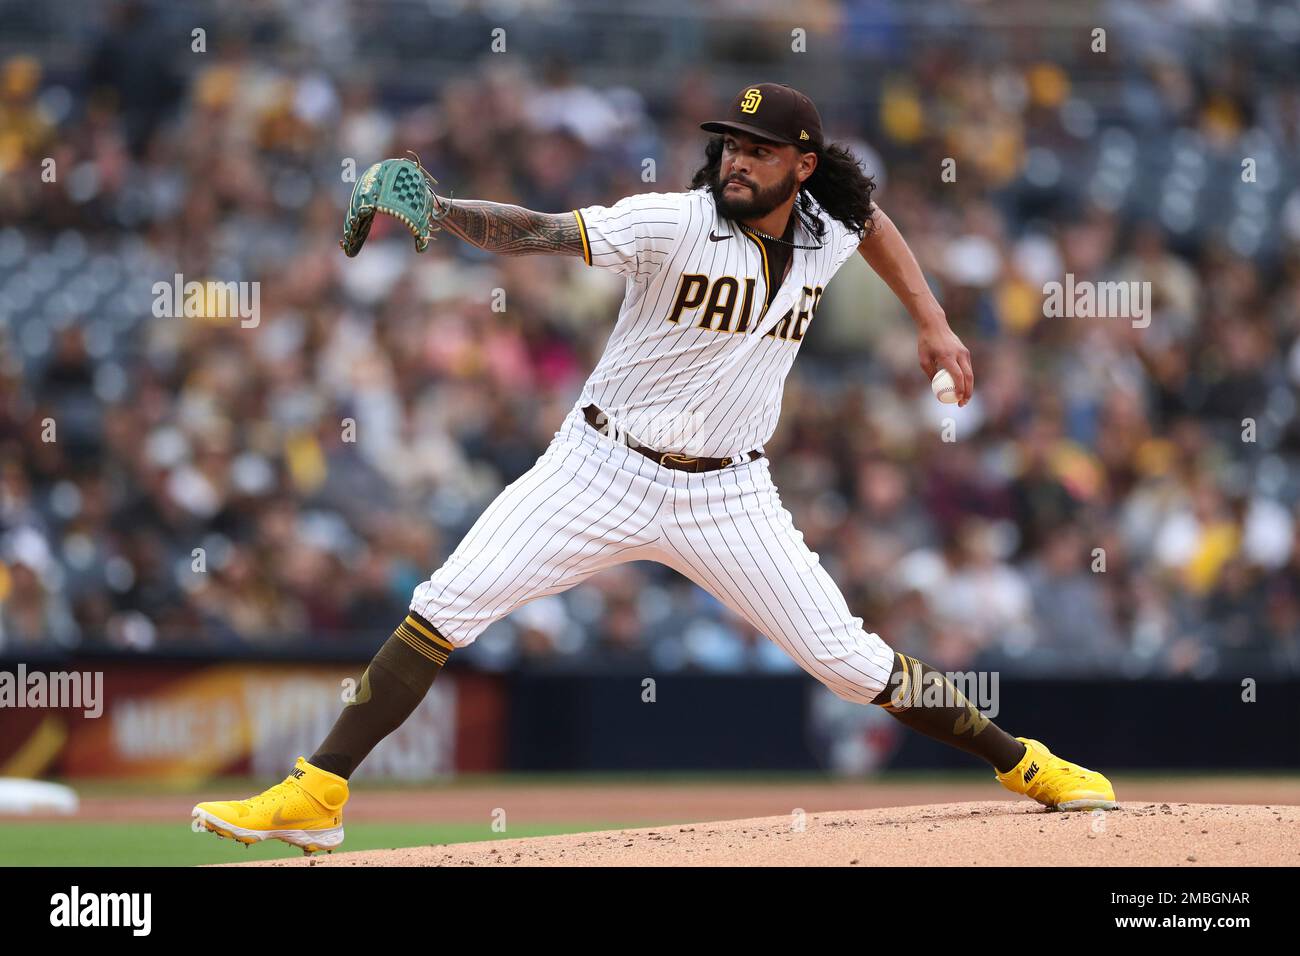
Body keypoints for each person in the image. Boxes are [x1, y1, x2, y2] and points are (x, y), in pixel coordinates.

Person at [193, 83, 1116, 854]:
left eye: (758, 150)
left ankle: (1024, 762)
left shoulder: (827, 225)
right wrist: (442, 212)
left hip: (728, 490)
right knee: (443, 604)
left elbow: (874, 222)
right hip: (599, 466)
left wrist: (932, 318)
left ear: (801, 164)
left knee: (848, 662)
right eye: (728, 146)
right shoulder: (671, 221)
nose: (735, 163)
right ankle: (317, 794)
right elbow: (539, 233)